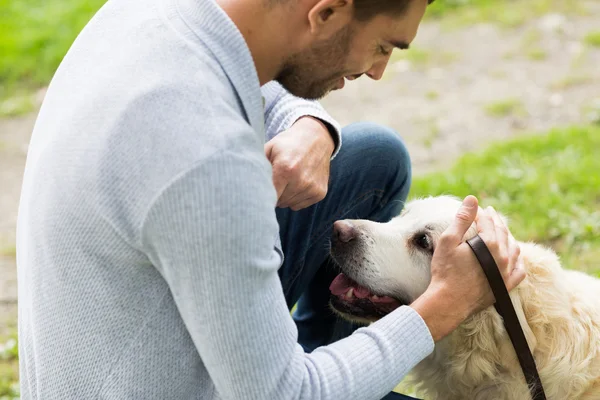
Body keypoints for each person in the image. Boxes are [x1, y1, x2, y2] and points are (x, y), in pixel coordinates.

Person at [16, 0, 526, 398]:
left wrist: (311, 123)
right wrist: (443, 306)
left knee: (373, 157)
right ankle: (318, 366)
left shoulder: (160, 16)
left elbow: (250, 80)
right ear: (326, 12)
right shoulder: (208, 161)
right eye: (384, 46)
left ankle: (313, 352)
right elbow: (284, 394)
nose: (378, 71)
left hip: (120, 347)